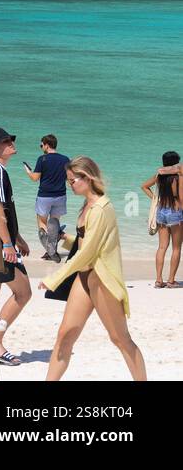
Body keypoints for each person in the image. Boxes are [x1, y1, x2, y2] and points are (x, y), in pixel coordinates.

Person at [40, 156, 146, 381]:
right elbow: (84, 242)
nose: (70, 184)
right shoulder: (86, 205)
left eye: (73, 180)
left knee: (120, 339)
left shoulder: (101, 208)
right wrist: (63, 238)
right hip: (84, 276)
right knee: (65, 335)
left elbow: (89, 252)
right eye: (68, 180)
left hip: (101, 278)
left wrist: (55, 278)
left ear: (87, 178)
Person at [0, 127, 30, 366]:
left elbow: (1, 211)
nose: (11, 142)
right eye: (5, 141)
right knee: (23, 293)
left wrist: (17, 237)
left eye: (11, 139)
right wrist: (8, 244)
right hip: (1, 245)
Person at [24, 134, 69, 261]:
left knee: (42, 224)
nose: (41, 147)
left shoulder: (42, 159)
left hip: (45, 196)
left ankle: (50, 252)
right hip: (60, 195)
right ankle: (52, 251)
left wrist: (28, 171)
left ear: (47, 145)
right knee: (54, 224)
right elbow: (68, 178)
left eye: (41, 145)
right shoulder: (65, 159)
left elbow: (35, 178)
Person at [141, 151, 181, 288]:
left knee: (162, 247)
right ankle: (171, 280)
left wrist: (155, 199)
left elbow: (144, 186)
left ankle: (158, 280)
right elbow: (179, 197)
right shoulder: (178, 177)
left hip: (161, 211)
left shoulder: (159, 176)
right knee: (176, 248)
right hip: (175, 213)